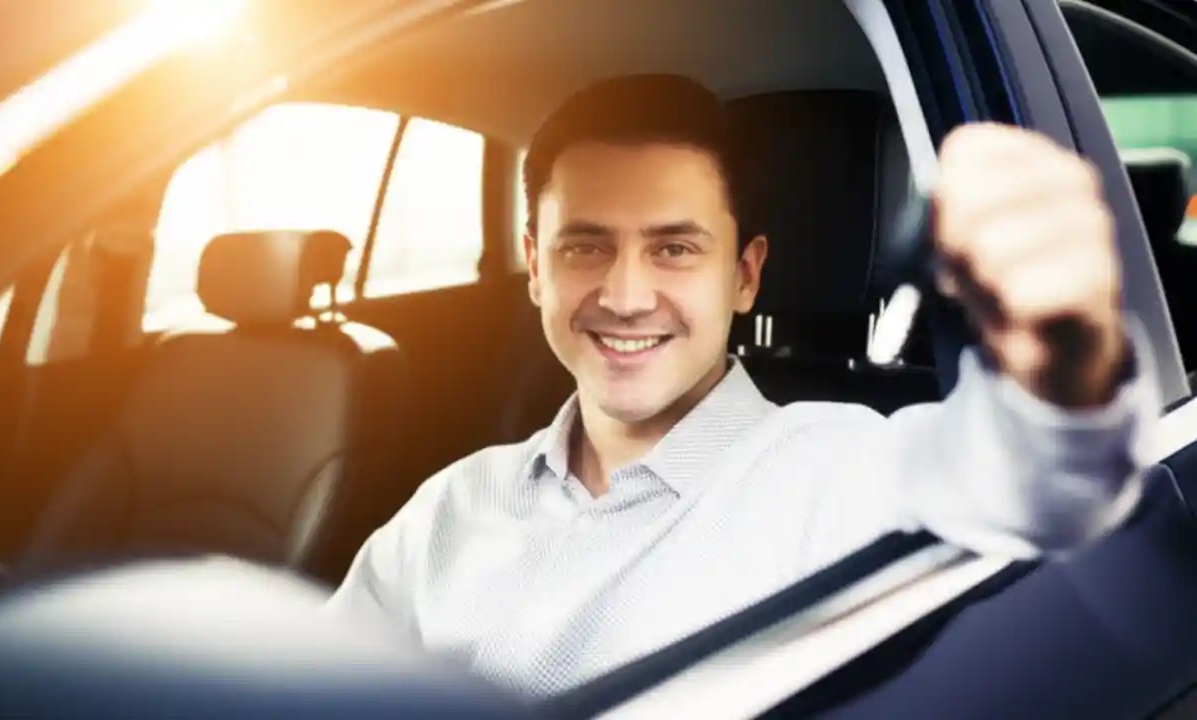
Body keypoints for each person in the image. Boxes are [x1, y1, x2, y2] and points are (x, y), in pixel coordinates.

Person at [328, 74, 1159, 696]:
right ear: (535, 268)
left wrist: (1065, 363)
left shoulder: (834, 469)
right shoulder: (447, 510)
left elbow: (1040, 484)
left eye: (674, 249)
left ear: (745, 276)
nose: (625, 295)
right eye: (585, 247)